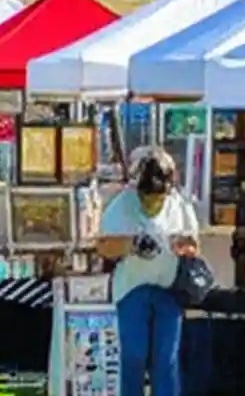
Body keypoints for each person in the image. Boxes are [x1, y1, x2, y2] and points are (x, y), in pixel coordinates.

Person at [98, 146, 198, 396]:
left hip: (168, 288)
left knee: (166, 360)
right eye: (147, 196)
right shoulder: (123, 204)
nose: (152, 202)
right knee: (133, 357)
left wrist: (180, 245)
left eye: (157, 197)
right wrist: (132, 244)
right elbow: (104, 245)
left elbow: (194, 245)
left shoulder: (179, 205)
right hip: (132, 289)